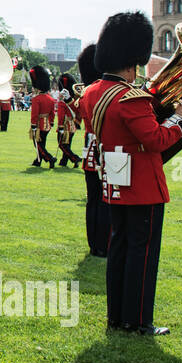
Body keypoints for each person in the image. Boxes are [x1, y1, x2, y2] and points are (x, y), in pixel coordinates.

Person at [92, 11, 182, 336]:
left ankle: (117, 317)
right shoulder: (130, 98)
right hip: (142, 184)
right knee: (142, 254)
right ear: (132, 59)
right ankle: (139, 320)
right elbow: (155, 139)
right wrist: (180, 116)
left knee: (120, 248)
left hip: (115, 177)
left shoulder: (94, 93)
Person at [75, 44, 110, 258]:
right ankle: (104, 244)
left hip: (90, 149)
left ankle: (94, 243)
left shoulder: (86, 93)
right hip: (105, 150)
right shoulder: (103, 92)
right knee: (105, 199)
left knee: (93, 199)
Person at [28, 65, 57, 168]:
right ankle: (38, 160)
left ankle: (50, 158)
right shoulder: (51, 99)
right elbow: (52, 113)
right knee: (42, 143)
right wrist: (52, 122)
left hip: (39, 124)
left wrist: (33, 125)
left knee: (38, 144)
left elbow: (35, 114)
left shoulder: (37, 99)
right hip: (47, 124)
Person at [55, 72, 80, 167]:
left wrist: (60, 126)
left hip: (65, 126)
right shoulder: (74, 99)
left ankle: (75, 158)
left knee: (61, 144)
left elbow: (61, 116)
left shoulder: (62, 101)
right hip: (72, 125)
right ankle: (63, 161)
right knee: (67, 144)